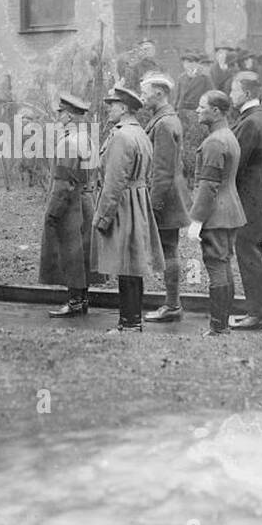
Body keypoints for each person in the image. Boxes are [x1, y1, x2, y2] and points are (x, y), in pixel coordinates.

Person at [92, 86, 164, 333]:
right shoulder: (139, 133)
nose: (108, 108)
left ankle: (130, 323)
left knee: (127, 267)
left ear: (123, 108)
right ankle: (132, 321)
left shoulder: (122, 136)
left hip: (123, 204)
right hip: (137, 200)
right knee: (132, 266)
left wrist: (102, 218)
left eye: (112, 105)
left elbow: (114, 182)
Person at [186, 90, 247, 335]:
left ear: (216, 111)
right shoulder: (228, 136)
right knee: (224, 264)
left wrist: (197, 220)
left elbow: (209, 184)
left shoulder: (214, 142)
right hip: (230, 210)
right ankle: (222, 323)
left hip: (216, 213)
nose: (198, 111)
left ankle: (218, 327)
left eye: (202, 107)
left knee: (216, 266)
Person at [39, 93, 99, 317]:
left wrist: (53, 213)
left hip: (71, 203)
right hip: (86, 200)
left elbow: (63, 184)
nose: (59, 117)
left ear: (70, 116)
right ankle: (82, 299)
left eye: (61, 113)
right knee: (82, 252)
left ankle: (74, 301)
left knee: (71, 252)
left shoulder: (68, 143)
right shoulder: (87, 139)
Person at [140, 74, 191, 323]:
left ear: (159, 93)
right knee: (169, 249)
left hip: (166, 199)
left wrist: (154, 206)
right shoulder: (165, 119)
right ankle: (172, 304)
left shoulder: (163, 124)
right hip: (171, 196)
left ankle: (172, 306)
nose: (142, 97)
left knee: (169, 250)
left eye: (145, 92)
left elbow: (162, 171)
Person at [228, 70, 262, 330]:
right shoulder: (255, 118)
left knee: (249, 253)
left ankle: (258, 313)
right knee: (251, 253)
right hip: (254, 194)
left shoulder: (251, 122)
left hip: (249, 197)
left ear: (245, 93)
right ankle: (258, 311)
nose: (231, 95)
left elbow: (237, 161)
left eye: (234, 90)